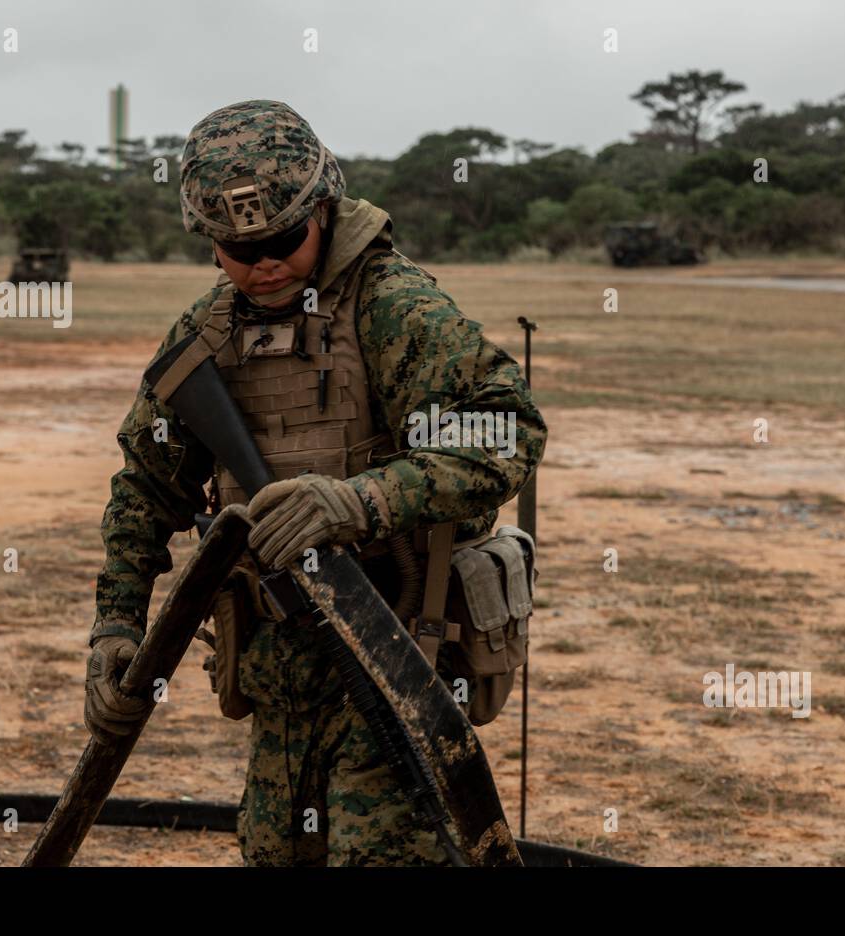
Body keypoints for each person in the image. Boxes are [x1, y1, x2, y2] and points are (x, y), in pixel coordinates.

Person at [82, 99, 546, 866]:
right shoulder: (206, 335)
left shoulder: (393, 308)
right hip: (278, 676)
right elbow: (145, 489)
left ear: (324, 212)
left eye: (283, 240)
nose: (264, 263)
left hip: (396, 661)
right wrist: (116, 629)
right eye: (239, 248)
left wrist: (360, 501)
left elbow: (509, 429)